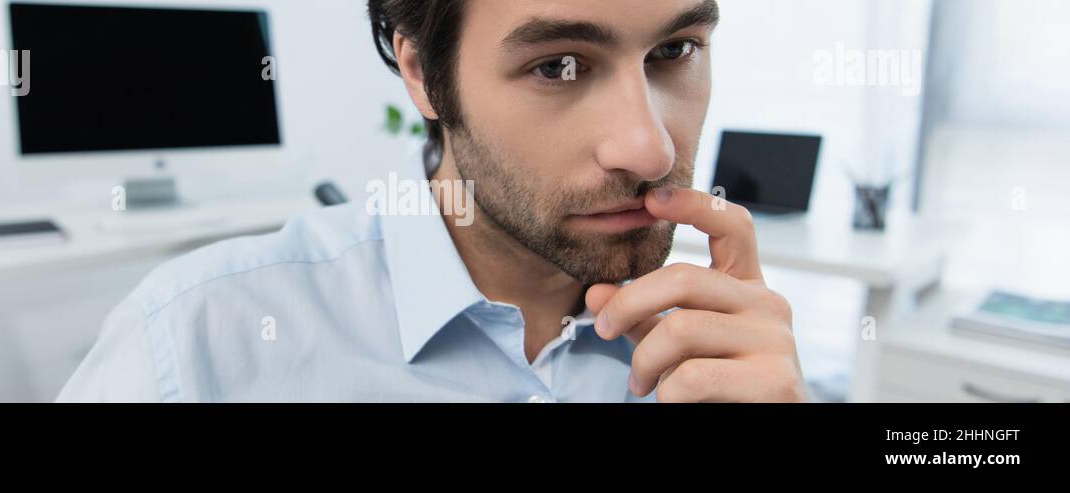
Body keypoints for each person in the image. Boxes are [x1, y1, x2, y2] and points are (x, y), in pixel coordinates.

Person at [59, 0, 806, 403]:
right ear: (422, 75)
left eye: (674, 51)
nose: (649, 149)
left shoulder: (728, 363)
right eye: (560, 65)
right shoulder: (194, 345)